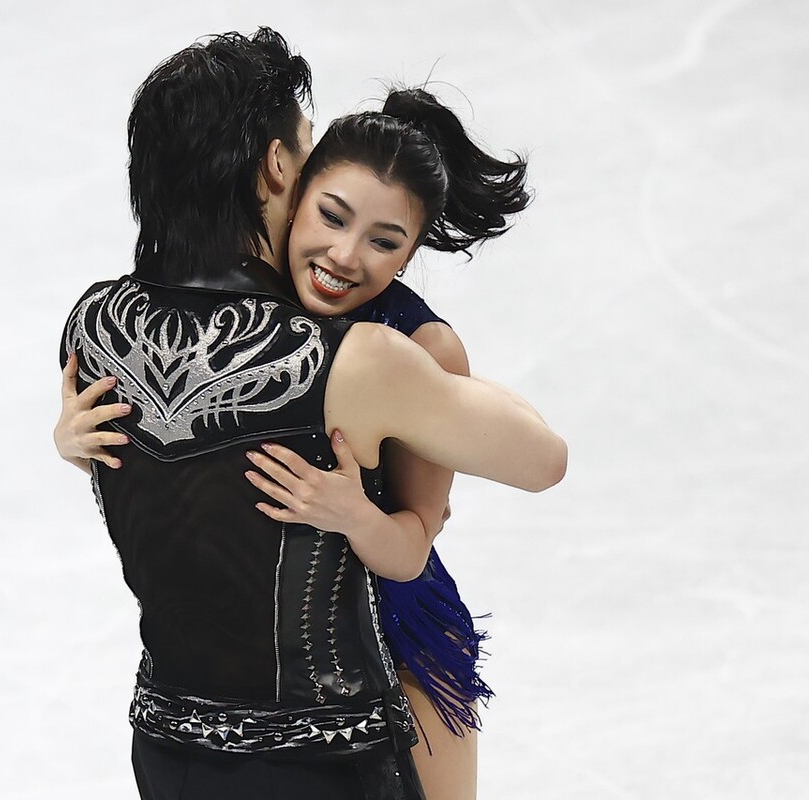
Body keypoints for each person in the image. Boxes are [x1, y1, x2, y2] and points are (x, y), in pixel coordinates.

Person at [57, 28, 566, 800]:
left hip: (168, 745)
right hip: (328, 760)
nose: (343, 251)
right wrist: (423, 382)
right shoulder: (355, 358)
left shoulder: (92, 328)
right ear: (278, 166)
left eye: (384, 239)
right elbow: (542, 460)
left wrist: (433, 363)